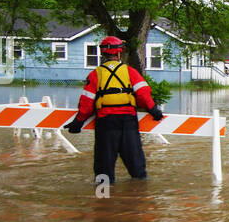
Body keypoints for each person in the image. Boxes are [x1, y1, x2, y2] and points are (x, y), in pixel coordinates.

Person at [65, 35, 165, 182]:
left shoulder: (95, 75)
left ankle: (103, 199)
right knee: (137, 166)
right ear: (119, 53)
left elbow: (86, 104)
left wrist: (78, 122)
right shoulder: (130, 72)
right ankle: (140, 198)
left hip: (106, 124)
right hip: (128, 123)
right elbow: (143, 95)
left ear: (103, 54)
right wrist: (154, 110)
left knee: (103, 168)